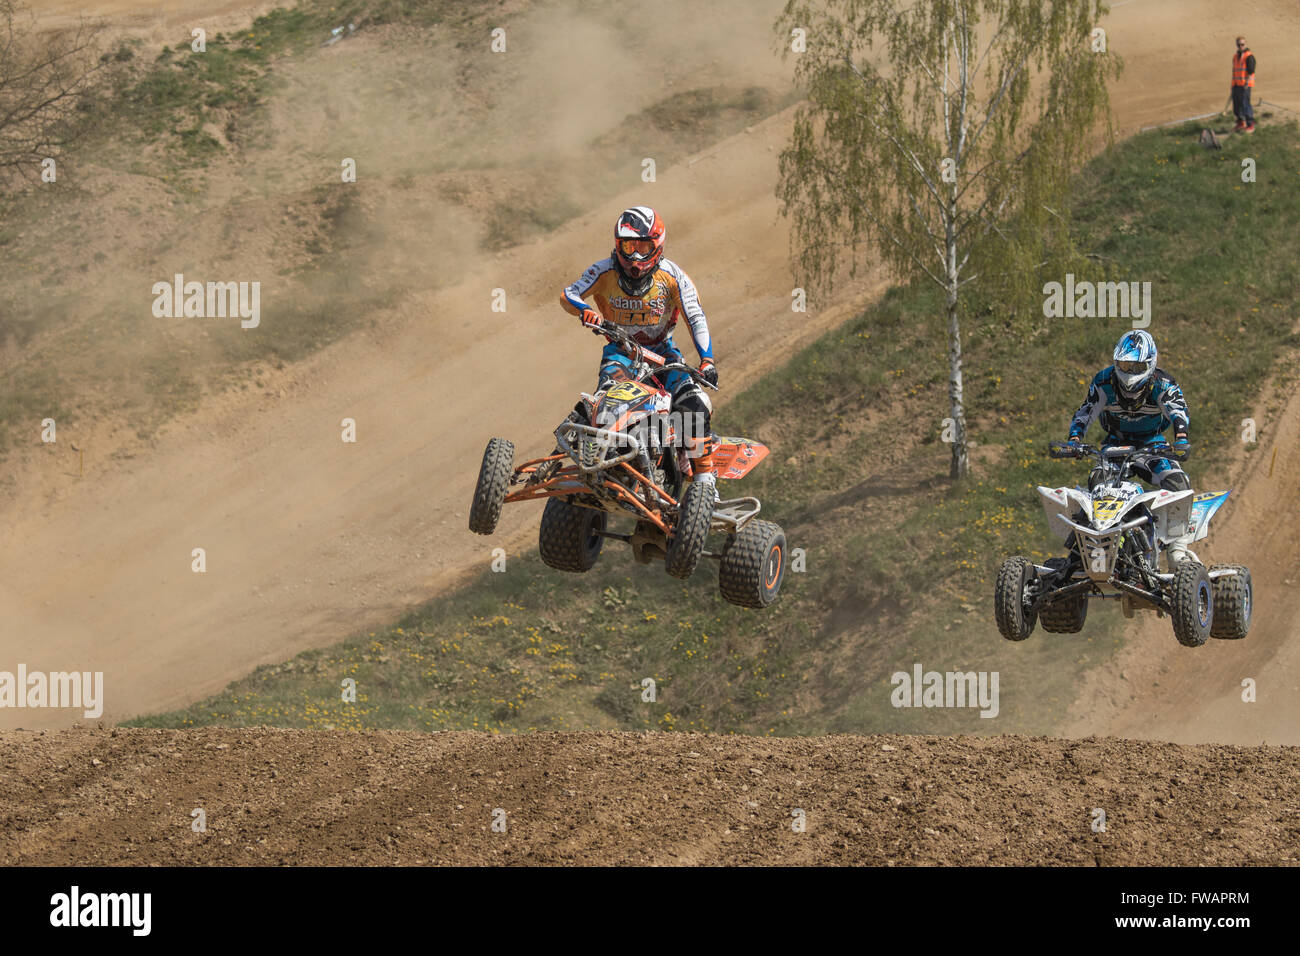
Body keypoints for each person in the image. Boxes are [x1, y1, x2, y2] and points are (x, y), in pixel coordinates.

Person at [559, 206, 719, 486]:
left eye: (642, 246)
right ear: (617, 244)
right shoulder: (602, 271)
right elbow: (568, 294)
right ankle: (589, 465)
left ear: (657, 245)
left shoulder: (673, 276)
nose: (634, 255)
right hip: (621, 354)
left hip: (666, 358)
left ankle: (704, 483)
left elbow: (695, 316)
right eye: (628, 245)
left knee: (694, 405)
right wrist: (584, 310)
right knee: (603, 406)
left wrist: (707, 360)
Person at [1067, 330, 1196, 563]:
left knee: (1178, 482)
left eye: (1136, 368)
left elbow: (1178, 412)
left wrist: (1181, 438)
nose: (1129, 373)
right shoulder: (1104, 381)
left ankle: (1178, 551)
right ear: (1116, 362)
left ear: (1150, 364)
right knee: (1097, 482)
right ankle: (1092, 547)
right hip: (1115, 446)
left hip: (1152, 446)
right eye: (1124, 366)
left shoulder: (1163, 384)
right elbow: (1086, 411)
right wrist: (1075, 440)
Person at [1231, 36, 1256, 133]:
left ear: (1245, 44)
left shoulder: (1249, 56)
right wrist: (1233, 85)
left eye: (1242, 44)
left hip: (1245, 85)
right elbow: (1235, 71)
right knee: (1237, 105)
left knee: (1245, 104)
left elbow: (1251, 71)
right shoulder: (1235, 56)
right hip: (1236, 84)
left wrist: (1247, 82)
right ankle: (1240, 123)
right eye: (1238, 44)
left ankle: (1250, 125)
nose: (1240, 46)